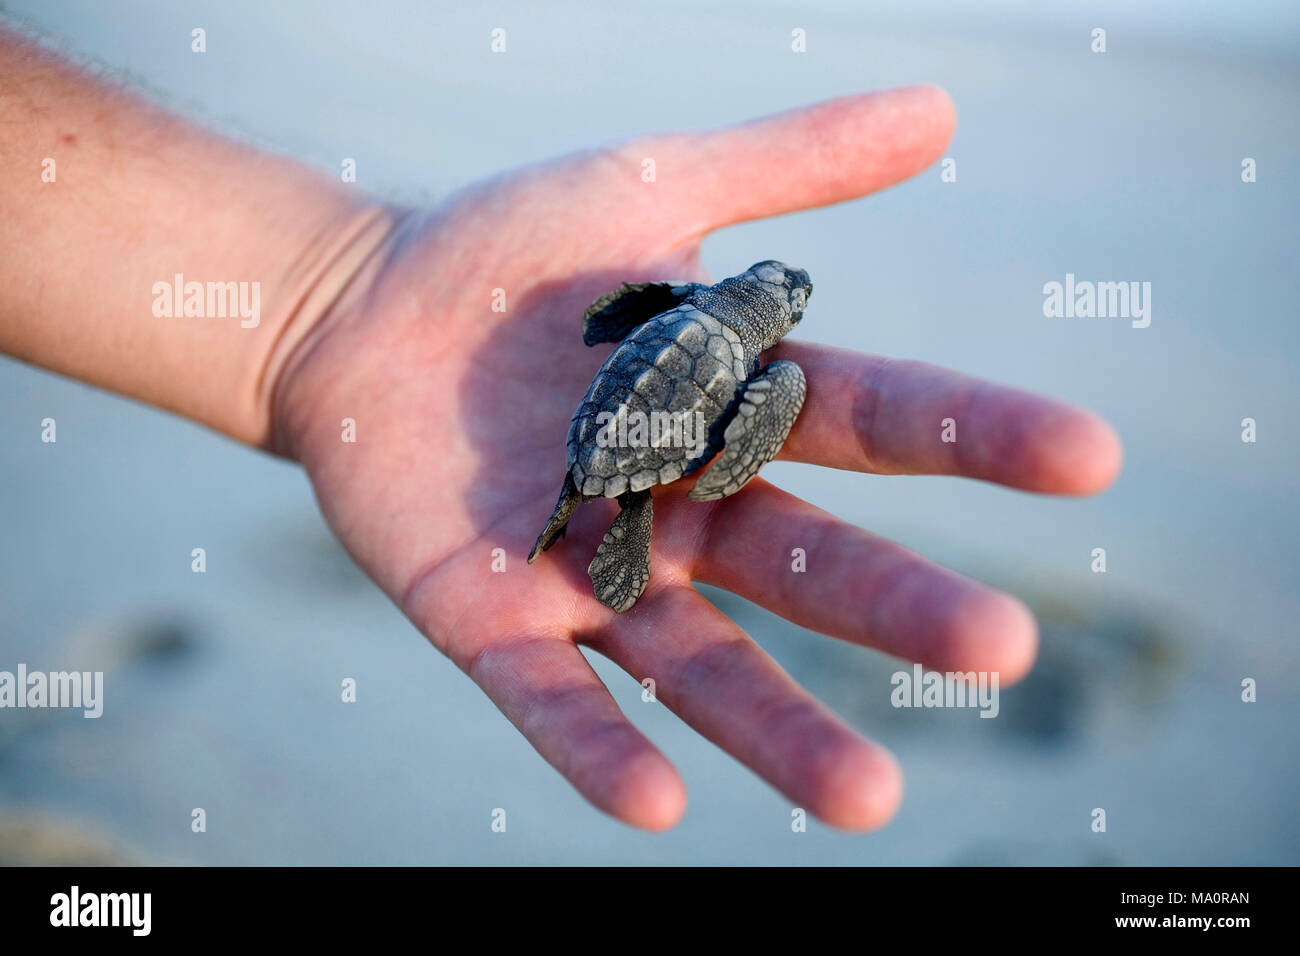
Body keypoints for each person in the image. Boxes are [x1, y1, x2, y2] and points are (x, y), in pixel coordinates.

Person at [0, 24, 1121, 832]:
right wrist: (732, 453)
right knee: (638, 488)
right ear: (771, 311)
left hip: (600, 420)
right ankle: (616, 513)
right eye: (789, 298)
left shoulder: (690, 310)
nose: (788, 307)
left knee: (615, 478)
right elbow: (739, 409)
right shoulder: (751, 356)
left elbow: (624, 324)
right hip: (645, 440)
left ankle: (598, 506)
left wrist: (346, 287)